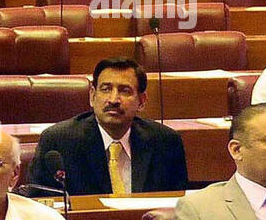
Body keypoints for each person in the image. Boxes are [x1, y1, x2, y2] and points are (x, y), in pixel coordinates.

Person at [28, 57, 188, 196]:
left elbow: (177, 205)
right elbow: (40, 205)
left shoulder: (165, 142)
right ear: (92, 96)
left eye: (125, 91)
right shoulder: (59, 142)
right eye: (106, 89)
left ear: (142, 101)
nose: (113, 99)